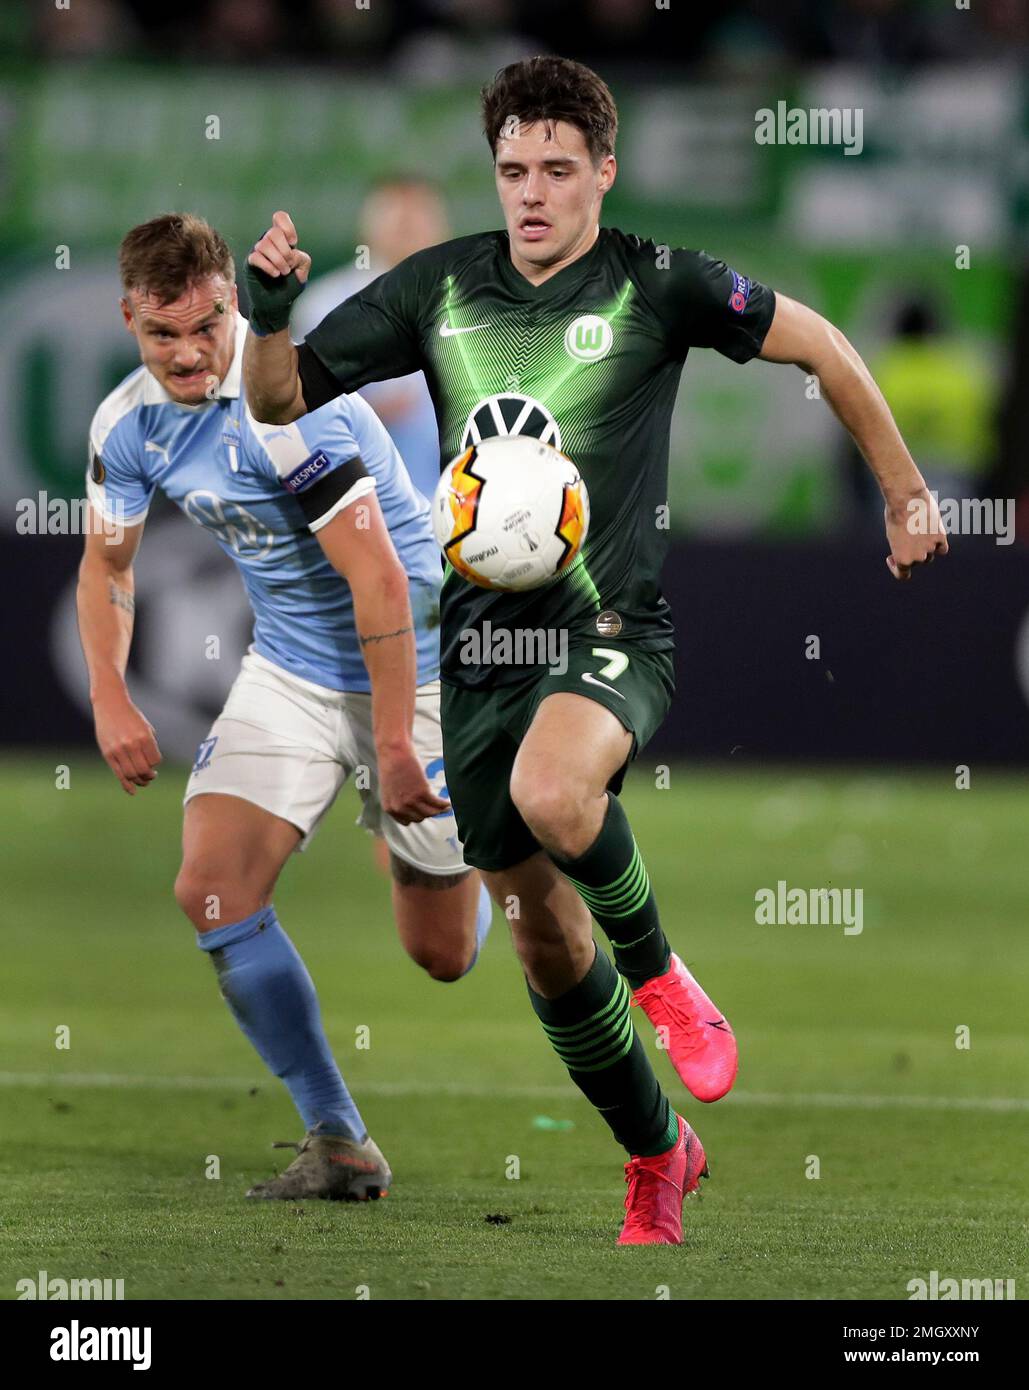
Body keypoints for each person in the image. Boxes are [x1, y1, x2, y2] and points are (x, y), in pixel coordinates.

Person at [241, 56, 948, 1244]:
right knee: (545, 942)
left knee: (556, 791)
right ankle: (656, 1150)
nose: (531, 193)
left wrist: (907, 489)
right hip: (478, 655)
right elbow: (273, 400)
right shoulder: (438, 289)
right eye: (513, 169)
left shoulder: (658, 284)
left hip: (612, 630)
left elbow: (825, 345)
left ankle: (667, 980)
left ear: (604, 173)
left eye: (557, 171)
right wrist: (265, 314)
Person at [76, 212, 491, 1202]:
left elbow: (382, 582)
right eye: (162, 334)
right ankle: (338, 1136)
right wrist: (109, 696)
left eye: (208, 327)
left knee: (441, 956)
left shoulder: (290, 409)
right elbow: (109, 565)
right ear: (130, 317)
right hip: (293, 673)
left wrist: (391, 745)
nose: (187, 353)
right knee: (211, 888)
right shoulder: (125, 423)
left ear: (232, 306)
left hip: (422, 668)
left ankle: (503, 845)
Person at [291, 178, 449, 504]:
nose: (409, 227)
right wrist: (366, 413)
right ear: (367, 228)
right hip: (357, 504)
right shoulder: (325, 306)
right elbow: (293, 410)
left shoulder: (473, 303)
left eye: (419, 215)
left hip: (458, 505)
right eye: (396, 217)